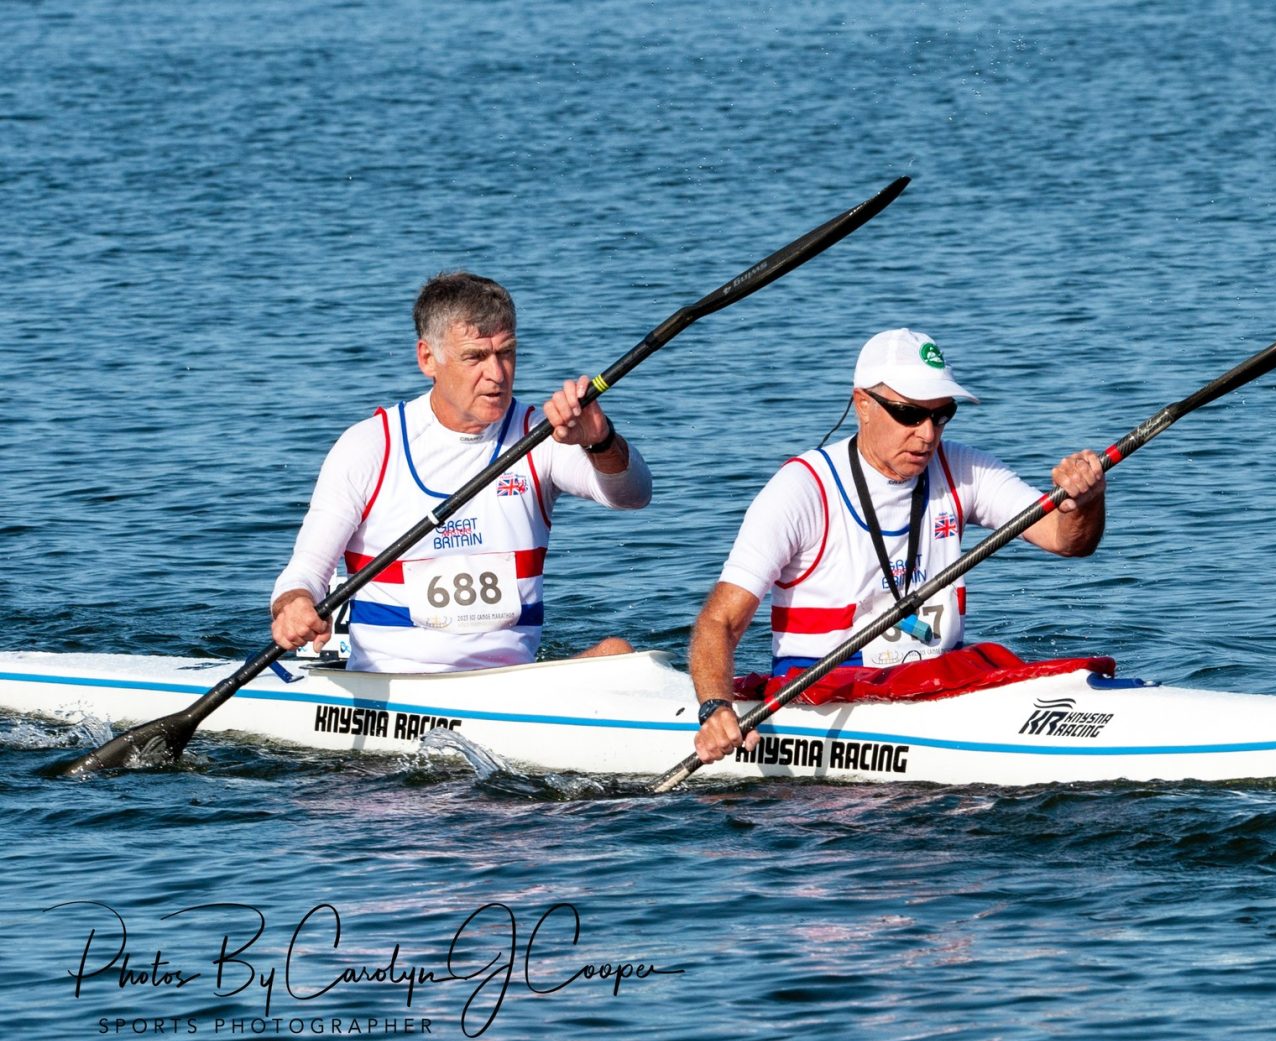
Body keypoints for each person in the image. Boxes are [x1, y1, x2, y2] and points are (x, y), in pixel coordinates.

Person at [689, 327, 1105, 763]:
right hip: (826, 696)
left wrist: (1088, 501)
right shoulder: (801, 491)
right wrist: (715, 707)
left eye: (942, 414)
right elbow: (719, 623)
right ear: (862, 404)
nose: (927, 434)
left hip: (938, 682)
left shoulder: (963, 468)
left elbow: (1066, 540)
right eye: (910, 414)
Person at [270, 271, 652, 673]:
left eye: (506, 353)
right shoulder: (370, 447)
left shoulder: (540, 435)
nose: (497, 374)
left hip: (510, 684)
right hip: (390, 685)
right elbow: (305, 572)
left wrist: (599, 439)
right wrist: (294, 604)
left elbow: (633, 495)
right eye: (475, 357)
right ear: (427, 359)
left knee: (616, 654)